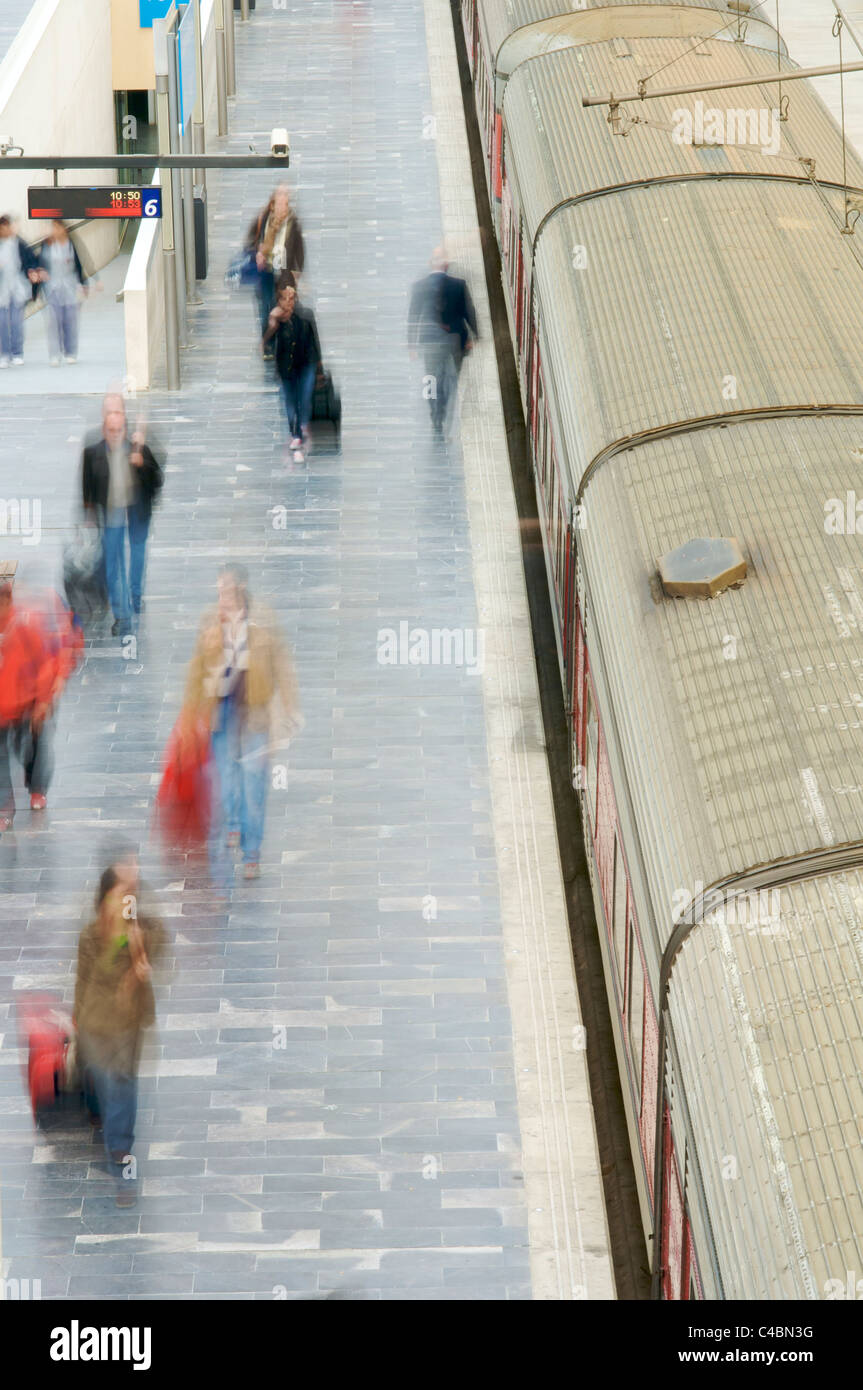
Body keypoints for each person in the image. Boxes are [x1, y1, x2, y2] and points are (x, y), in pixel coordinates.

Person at [179, 563, 303, 881]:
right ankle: (232, 824)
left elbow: (282, 663)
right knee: (226, 779)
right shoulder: (210, 620)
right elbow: (196, 668)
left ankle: (252, 851)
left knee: (253, 783)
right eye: (219, 589)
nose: (223, 596)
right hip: (220, 710)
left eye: (228, 589)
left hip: (254, 711)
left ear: (241, 588)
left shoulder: (264, 620)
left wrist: (290, 708)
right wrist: (191, 713)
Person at [75, 854, 164, 1208]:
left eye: (131, 894)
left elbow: (155, 951)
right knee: (103, 1078)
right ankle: (101, 1115)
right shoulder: (91, 935)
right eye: (119, 894)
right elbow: (83, 978)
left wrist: (138, 945)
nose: (126, 901)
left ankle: (119, 1150)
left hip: (128, 1021)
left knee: (123, 1080)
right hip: (97, 1021)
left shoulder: (143, 929)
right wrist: (77, 1016)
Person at [0, 567, 82, 826]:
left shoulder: (32, 618)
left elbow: (53, 656)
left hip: (31, 699)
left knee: (37, 744)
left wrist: (46, 697)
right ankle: (5, 806)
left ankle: (37, 787)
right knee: (5, 754)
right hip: (8, 706)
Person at [81, 393, 164, 637]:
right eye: (111, 430)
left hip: (136, 511)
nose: (115, 434)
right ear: (104, 429)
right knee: (113, 566)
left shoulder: (139, 448)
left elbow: (157, 480)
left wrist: (142, 464)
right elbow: (87, 485)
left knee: (137, 556)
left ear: (125, 428)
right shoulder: (92, 452)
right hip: (111, 513)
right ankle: (122, 614)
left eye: (119, 430)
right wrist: (88, 515)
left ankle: (136, 597)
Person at [408, 247, 478, 436]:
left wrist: (412, 345)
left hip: (429, 341)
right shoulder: (458, 284)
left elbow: (413, 317)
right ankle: (443, 406)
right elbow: (468, 312)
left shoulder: (420, 286)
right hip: (454, 341)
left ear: (430, 264)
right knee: (450, 378)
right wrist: (474, 336)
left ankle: (435, 412)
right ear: (446, 265)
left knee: (431, 378)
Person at [263, 284, 321, 463]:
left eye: (291, 298)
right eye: (284, 299)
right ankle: (295, 433)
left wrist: (318, 366)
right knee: (290, 400)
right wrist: (272, 324)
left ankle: (302, 427)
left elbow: (314, 341)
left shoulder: (305, 315)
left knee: (304, 398)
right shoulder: (275, 319)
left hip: (306, 364)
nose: (288, 303)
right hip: (286, 367)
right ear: (279, 301)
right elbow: (267, 343)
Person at [245, 185, 305, 357]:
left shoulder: (293, 223)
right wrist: (257, 252)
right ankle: (269, 344)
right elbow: (251, 241)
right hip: (265, 272)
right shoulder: (263, 219)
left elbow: (299, 250)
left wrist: (297, 272)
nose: (282, 206)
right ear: (273, 202)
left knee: (284, 307)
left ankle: (284, 341)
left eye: (285, 201)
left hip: (284, 273)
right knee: (266, 307)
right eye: (280, 199)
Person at [35, 220, 89, 365]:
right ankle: (55, 353)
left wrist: (83, 284)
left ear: (63, 229)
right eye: (53, 228)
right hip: (52, 288)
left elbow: (78, 265)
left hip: (69, 287)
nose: (54, 231)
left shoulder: (71, 245)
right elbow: (39, 266)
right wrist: (37, 288)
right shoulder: (46, 245)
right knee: (54, 322)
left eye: (57, 228)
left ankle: (70, 352)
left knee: (70, 321)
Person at [0, 214, 39, 367]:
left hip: (17, 288)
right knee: (2, 323)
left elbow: (31, 260)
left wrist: (32, 271)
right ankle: (4, 354)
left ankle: (17, 353)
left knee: (16, 321)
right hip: (2, 290)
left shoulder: (19, 243)